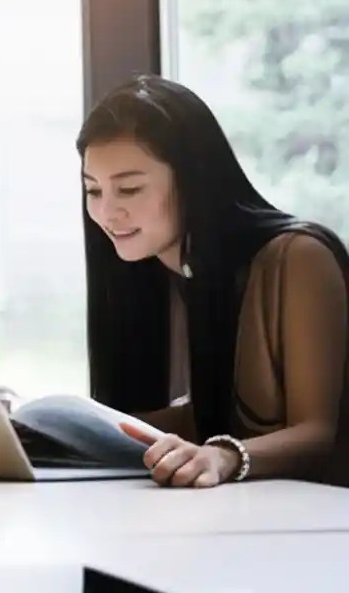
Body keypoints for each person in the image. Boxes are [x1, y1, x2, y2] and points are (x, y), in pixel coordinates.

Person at [79, 74, 349, 488]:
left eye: (129, 189)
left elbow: (318, 435)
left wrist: (225, 456)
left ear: (192, 180)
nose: (107, 213)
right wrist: (55, 428)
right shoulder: (162, 271)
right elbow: (204, 412)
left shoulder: (298, 257)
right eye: (93, 191)